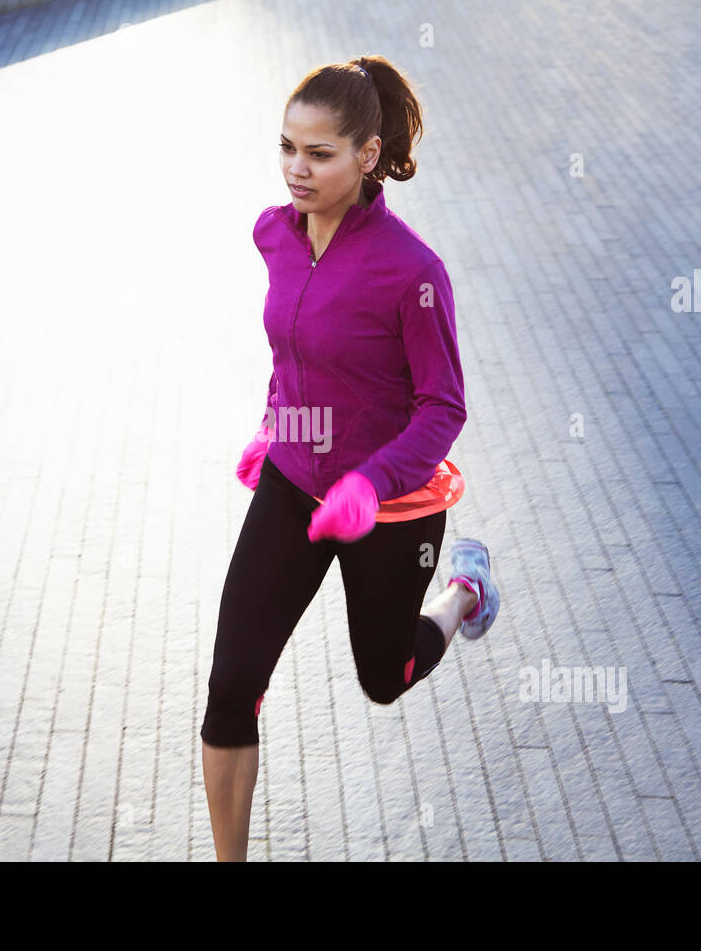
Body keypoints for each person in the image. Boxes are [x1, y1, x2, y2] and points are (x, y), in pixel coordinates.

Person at [200, 55, 499, 862]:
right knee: (231, 688)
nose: (298, 169)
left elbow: (445, 408)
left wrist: (371, 483)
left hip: (393, 506)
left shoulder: (413, 272)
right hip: (295, 486)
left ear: (367, 156)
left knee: (385, 677)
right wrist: (276, 425)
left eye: (320, 153)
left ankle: (466, 590)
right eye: (287, 147)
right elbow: (293, 347)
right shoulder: (274, 234)